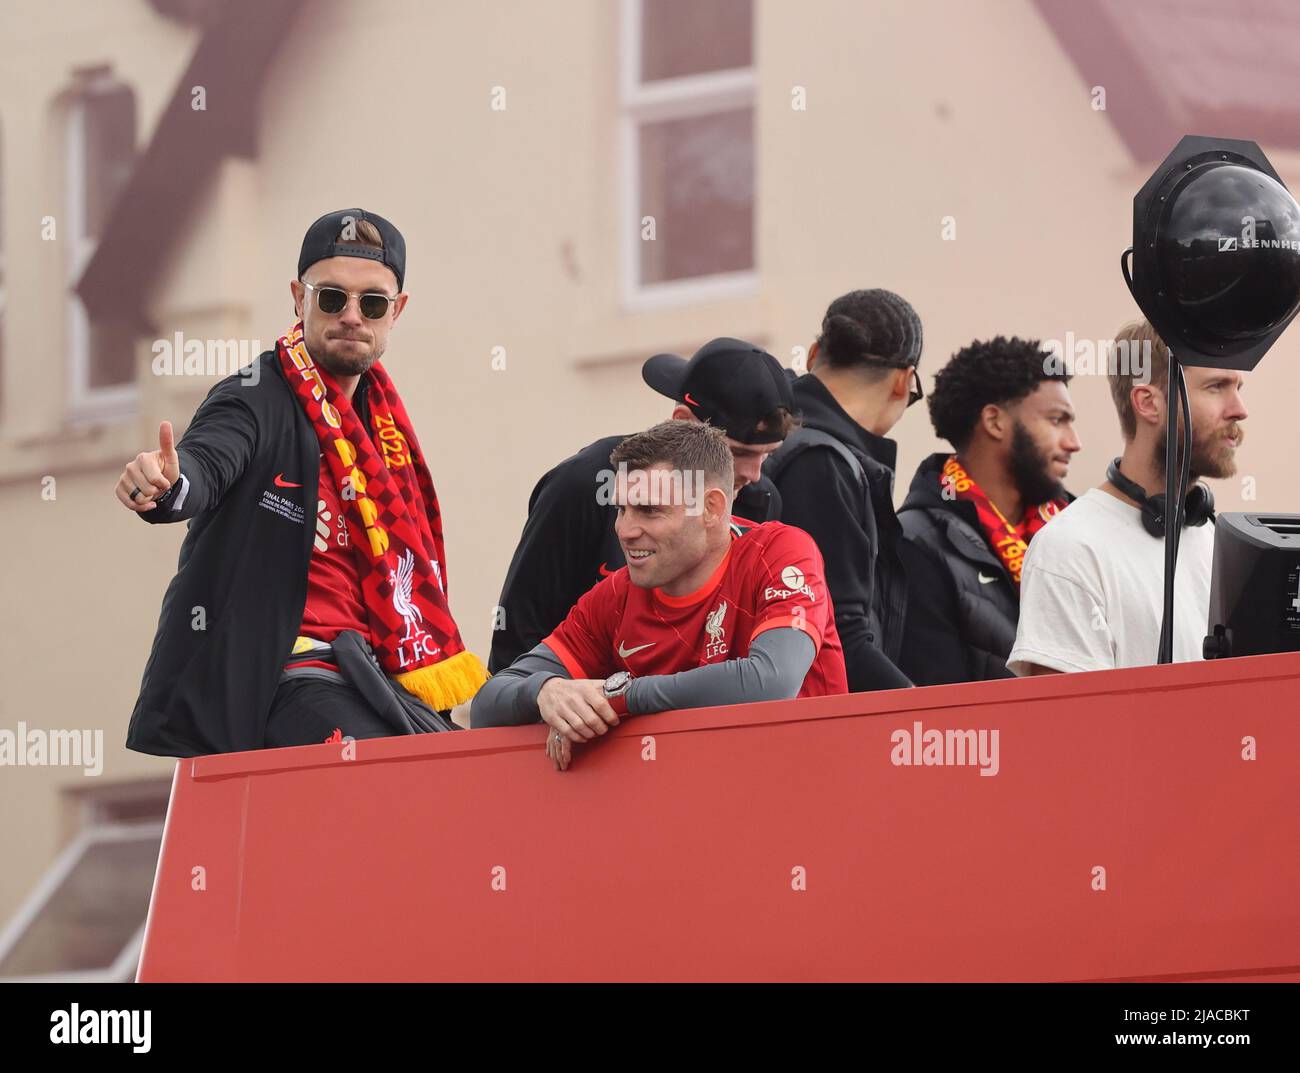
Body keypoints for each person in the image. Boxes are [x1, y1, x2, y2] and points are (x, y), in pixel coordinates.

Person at [118, 208, 487, 756]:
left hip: (373, 675)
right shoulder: (252, 396)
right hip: (282, 673)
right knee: (386, 774)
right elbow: (204, 465)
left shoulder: (385, 428)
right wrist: (168, 484)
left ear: (397, 311)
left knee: (474, 778)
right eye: (331, 298)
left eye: (373, 303)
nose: (352, 316)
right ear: (299, 298)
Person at [472, 421, 847, 769]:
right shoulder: (616, 594)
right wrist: (547, 692)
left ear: (711, 508)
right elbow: (487, 706)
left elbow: (771, 682)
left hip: (810, 789)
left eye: (649, 510)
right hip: (698, 800)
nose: (625, 530)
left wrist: (617, 697)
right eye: (622, 509)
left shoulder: (779, 551)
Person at [488, 337, 797, 672]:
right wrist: (535, 690)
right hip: (584, 698)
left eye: (768, 455)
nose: (753, 474)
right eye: (736, 452)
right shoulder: (584, 483)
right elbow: (519, 635)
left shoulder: (760, 497)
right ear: (683, 421)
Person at [1008, 319, 1247, 674]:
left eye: (1239, 388)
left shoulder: (1217, 544)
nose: (1239, 409)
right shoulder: (1069, 550)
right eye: (1216, 387)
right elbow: (1067, 711)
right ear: (1148, 403)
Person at [897, 337, 1080, 684]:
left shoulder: (1078, 531)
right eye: (1057, 420)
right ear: (995, 421)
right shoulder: (915, 543)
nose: (1074, 442)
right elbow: (935, 698)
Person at [765, 289, 920, 692]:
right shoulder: (822, 464)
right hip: (810, 716)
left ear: (814, 354)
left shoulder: (774, 441)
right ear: (903, 381)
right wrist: (927, 716)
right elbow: (842, 636)